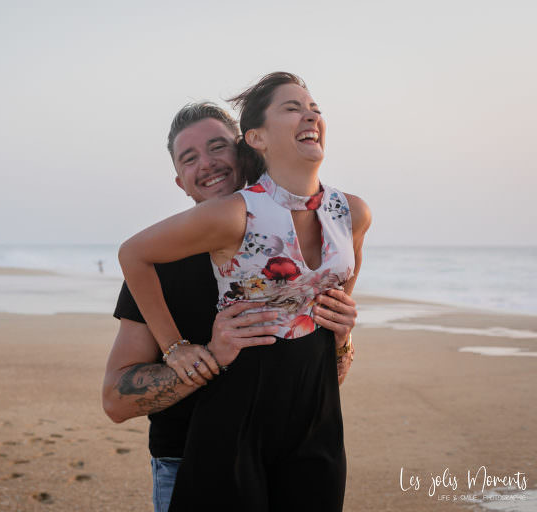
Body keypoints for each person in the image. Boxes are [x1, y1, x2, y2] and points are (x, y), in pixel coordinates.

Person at [119, 73, 371, 511]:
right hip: (189, 455)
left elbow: (324, 358)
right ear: (180, 181)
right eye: (189, 158)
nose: (208, 164)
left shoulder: (343, 214)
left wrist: (342, 335)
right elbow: (115, 400)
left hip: (304, 435)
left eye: (218, 147)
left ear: (246, 146)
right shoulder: (166, 265)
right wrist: (185, 350)